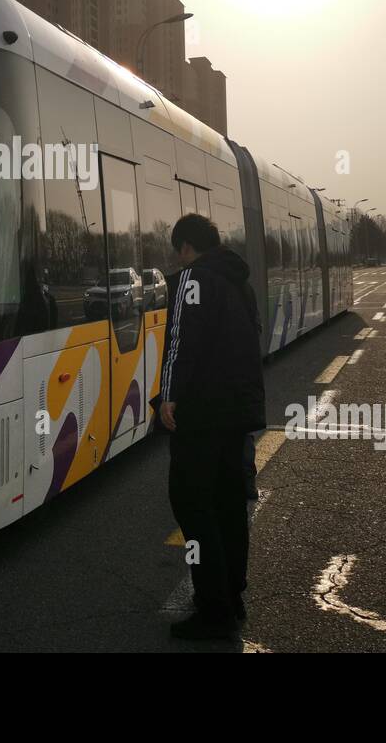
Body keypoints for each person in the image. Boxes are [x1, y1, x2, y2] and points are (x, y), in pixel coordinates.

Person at [158, 213, 266, 640]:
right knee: (227, 502)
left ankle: (214, 608)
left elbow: (181, 341)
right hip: (237, 411)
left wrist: (169, 395)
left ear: (186, 247)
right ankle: (232, 593)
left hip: (202, 414)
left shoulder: (193, 279)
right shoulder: (240, 280)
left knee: (191, 503)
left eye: (177, 251)